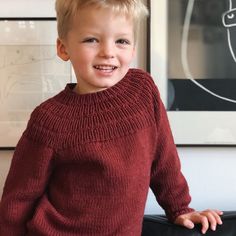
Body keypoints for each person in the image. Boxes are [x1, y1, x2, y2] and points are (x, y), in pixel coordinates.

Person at [0, 0, 223, 235]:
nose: (108, 52)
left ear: (133, 48)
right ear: (63, 48)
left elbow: (163, 157)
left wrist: (179, 208)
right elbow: (18, 199)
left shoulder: (143, 90)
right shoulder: (49, 119)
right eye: (91, 40)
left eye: (121, 41)